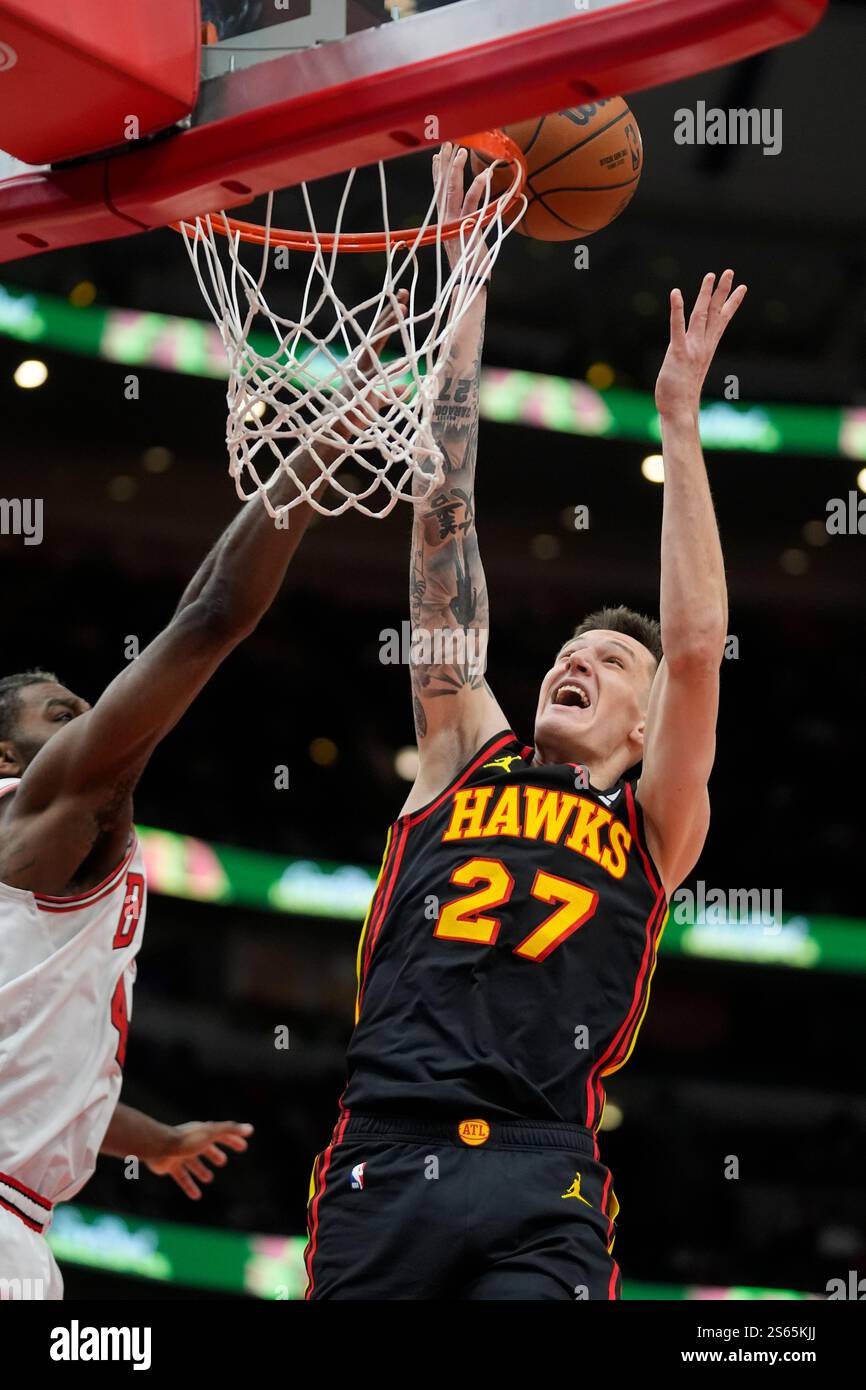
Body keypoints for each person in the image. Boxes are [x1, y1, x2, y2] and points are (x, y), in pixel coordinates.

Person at [304, 144, 746, 1300]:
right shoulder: (461, 749)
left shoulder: (654, 821)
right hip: (383, 1158)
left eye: (607, 661)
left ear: (649, 730)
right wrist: (464, 289)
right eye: (568, 651)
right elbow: (439, 515)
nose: (573, 660)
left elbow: (694, 647)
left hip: (542, 1176)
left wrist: (678, 422)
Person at [0, 300, 406, 1300]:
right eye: (62, 710)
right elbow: (210, 616)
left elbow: (36, 1068)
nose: (92, 720)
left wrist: (151, 1136)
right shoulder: (51, 803)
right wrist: (323, 437)